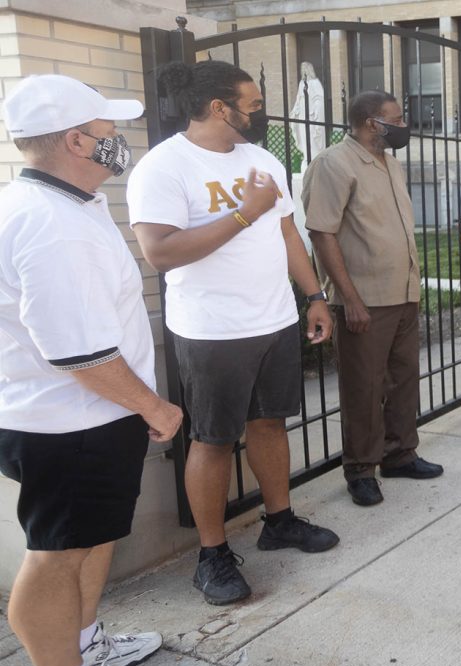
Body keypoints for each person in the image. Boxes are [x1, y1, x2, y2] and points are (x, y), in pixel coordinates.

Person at [1, 74, 173, 666]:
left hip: (87, 418)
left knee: (89, 538)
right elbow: (79, 352)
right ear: (76, 141)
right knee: (55, 556)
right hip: (68, 423)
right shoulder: (53, 225)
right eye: (108, 132)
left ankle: (81, 643)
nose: (118, 141)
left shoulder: (64, 203)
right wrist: (153, 407)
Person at [128, 60, 339, 607]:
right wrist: (244, 214)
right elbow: (160, 252)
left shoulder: (262, 160)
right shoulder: (163, 167)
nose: (261, 111)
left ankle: (280, 521)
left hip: (274, 320)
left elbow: (287, 232)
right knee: (213, 439)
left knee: (270, 424)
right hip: (211, 331)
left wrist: (313, 296)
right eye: (254, 103)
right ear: (220, 107)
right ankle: (212, 555)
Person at [304, 90, 444, 505]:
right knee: (364, 388)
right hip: (364, 298)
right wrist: (349, 299)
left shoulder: (391, 163)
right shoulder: (333, 164)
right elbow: (321, 233)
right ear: (371, 123)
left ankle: (399, 454)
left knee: (403, 380)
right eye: (396, 119)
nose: (404, 126)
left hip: (402, 292)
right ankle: (361, 469)